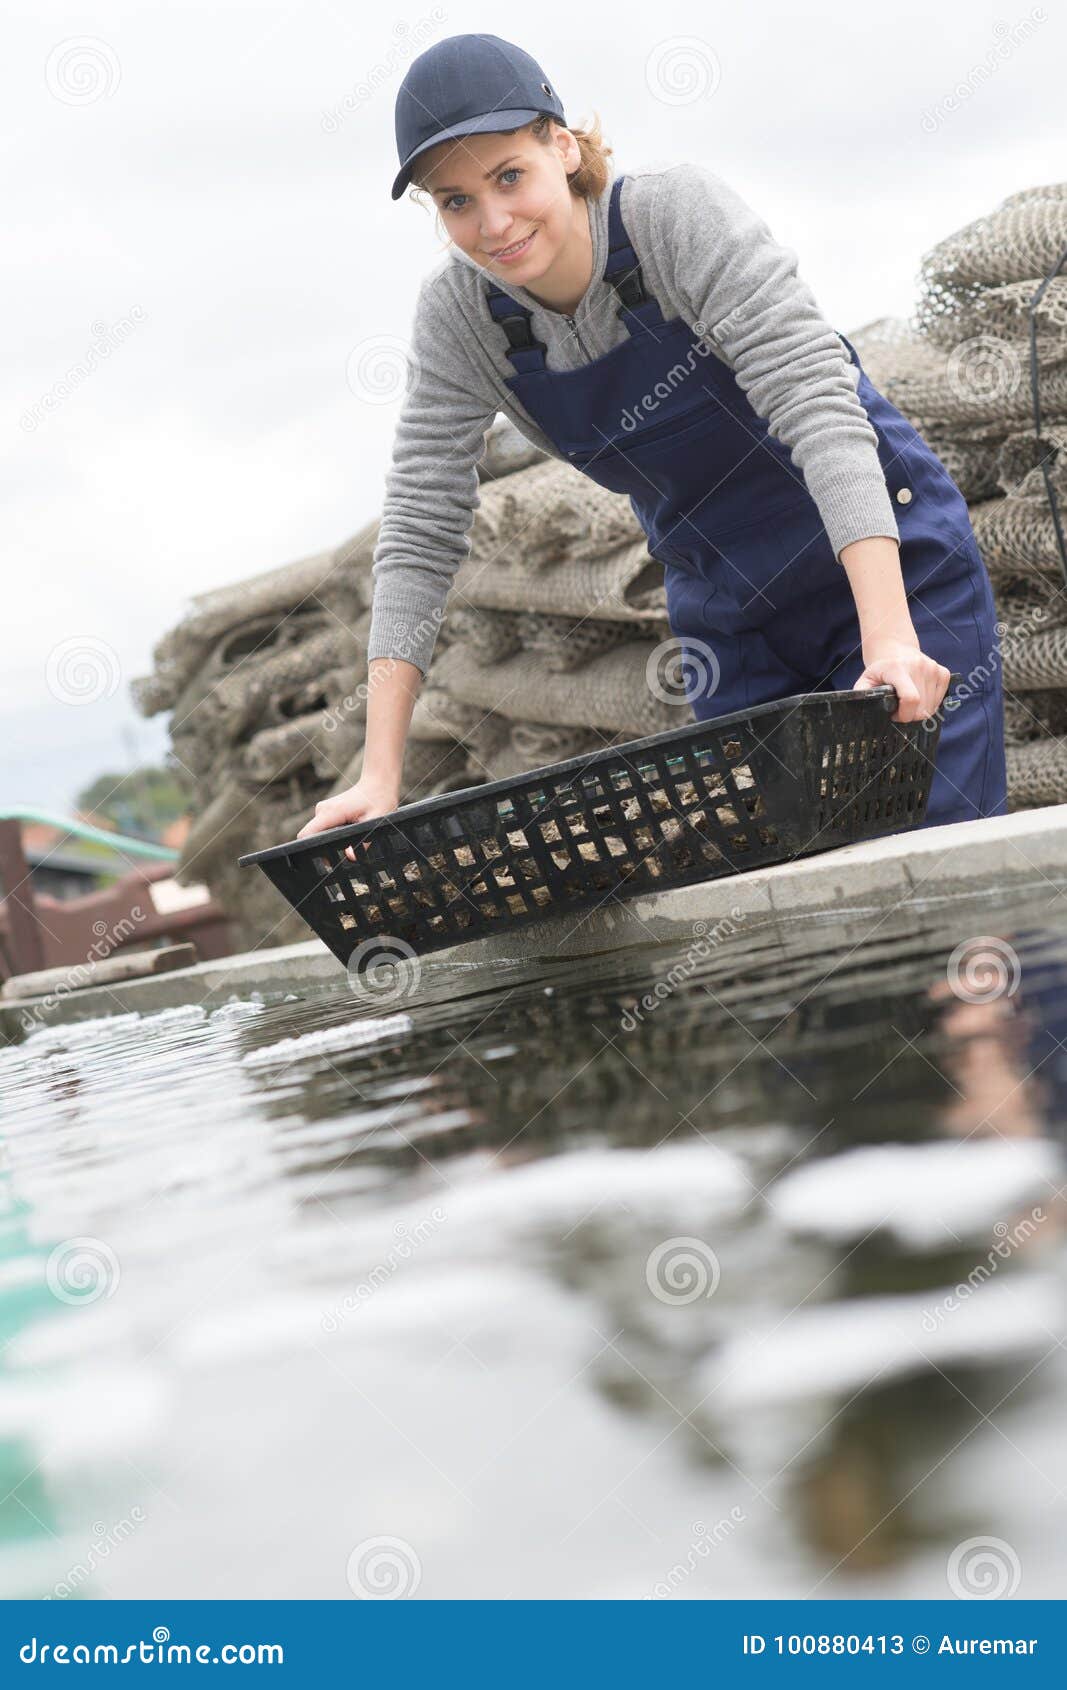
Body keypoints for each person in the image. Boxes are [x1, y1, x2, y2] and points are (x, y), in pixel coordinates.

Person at [297, 32, 1008, 853]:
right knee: (798, 899)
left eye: (508, 177)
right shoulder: (461, 321)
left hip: (891, 574)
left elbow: (817, 405)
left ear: (560, 146)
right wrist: (380, 774)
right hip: (732, 619)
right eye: (455, 201)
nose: (493, 224)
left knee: (944, 867)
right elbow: (420, 531)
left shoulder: (673, 217)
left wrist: (886, 637)